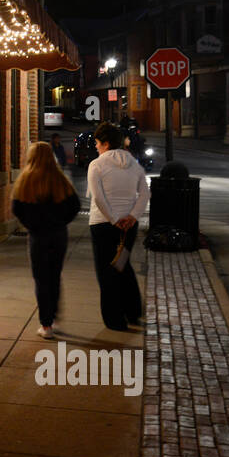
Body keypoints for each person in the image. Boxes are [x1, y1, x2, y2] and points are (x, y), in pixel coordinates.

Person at [12, 141, 81, 339]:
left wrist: (31, 225)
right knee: (55, 276)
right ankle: (55, 317)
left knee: (41, 280)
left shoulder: (25, 180)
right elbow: (75, 206)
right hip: (59, 235)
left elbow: (17, 208)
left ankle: (46, 325)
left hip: (37, 236)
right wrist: (60, 221)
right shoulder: (60, 179)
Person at [86, 121, 150, 330]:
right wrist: (131, 217)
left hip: (103, 226)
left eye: (97, 143)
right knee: (122, 266)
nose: (96, 147)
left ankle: (114, 319)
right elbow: (145, 193)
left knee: (106, 272)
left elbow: (98, 198)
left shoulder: (97, 165)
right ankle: (132, 312)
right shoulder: (133, 163)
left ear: (105, 143)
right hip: (128, 229)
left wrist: (113, 220)